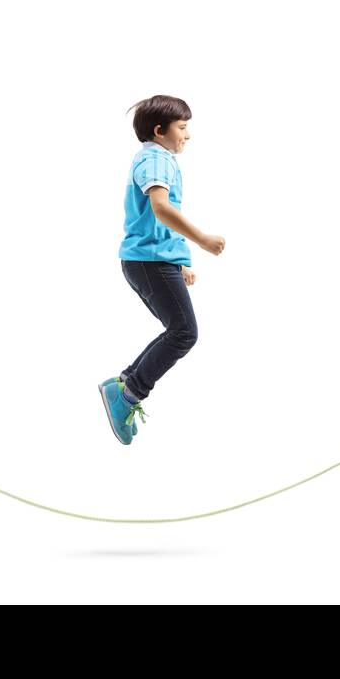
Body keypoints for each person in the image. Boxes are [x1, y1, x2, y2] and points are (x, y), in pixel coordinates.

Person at [99, 95, 226, 444]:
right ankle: (127, 395)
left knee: (178, 330)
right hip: (148, 260)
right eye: (182, 128)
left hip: (154, 259)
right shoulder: (155, 160)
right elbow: (160, 208)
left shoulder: (157, 158)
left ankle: (124, 384)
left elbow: (157, 219)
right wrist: (201, 240)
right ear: (159, 130)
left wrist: (180, 259)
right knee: (184, 332)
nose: (188, 135)